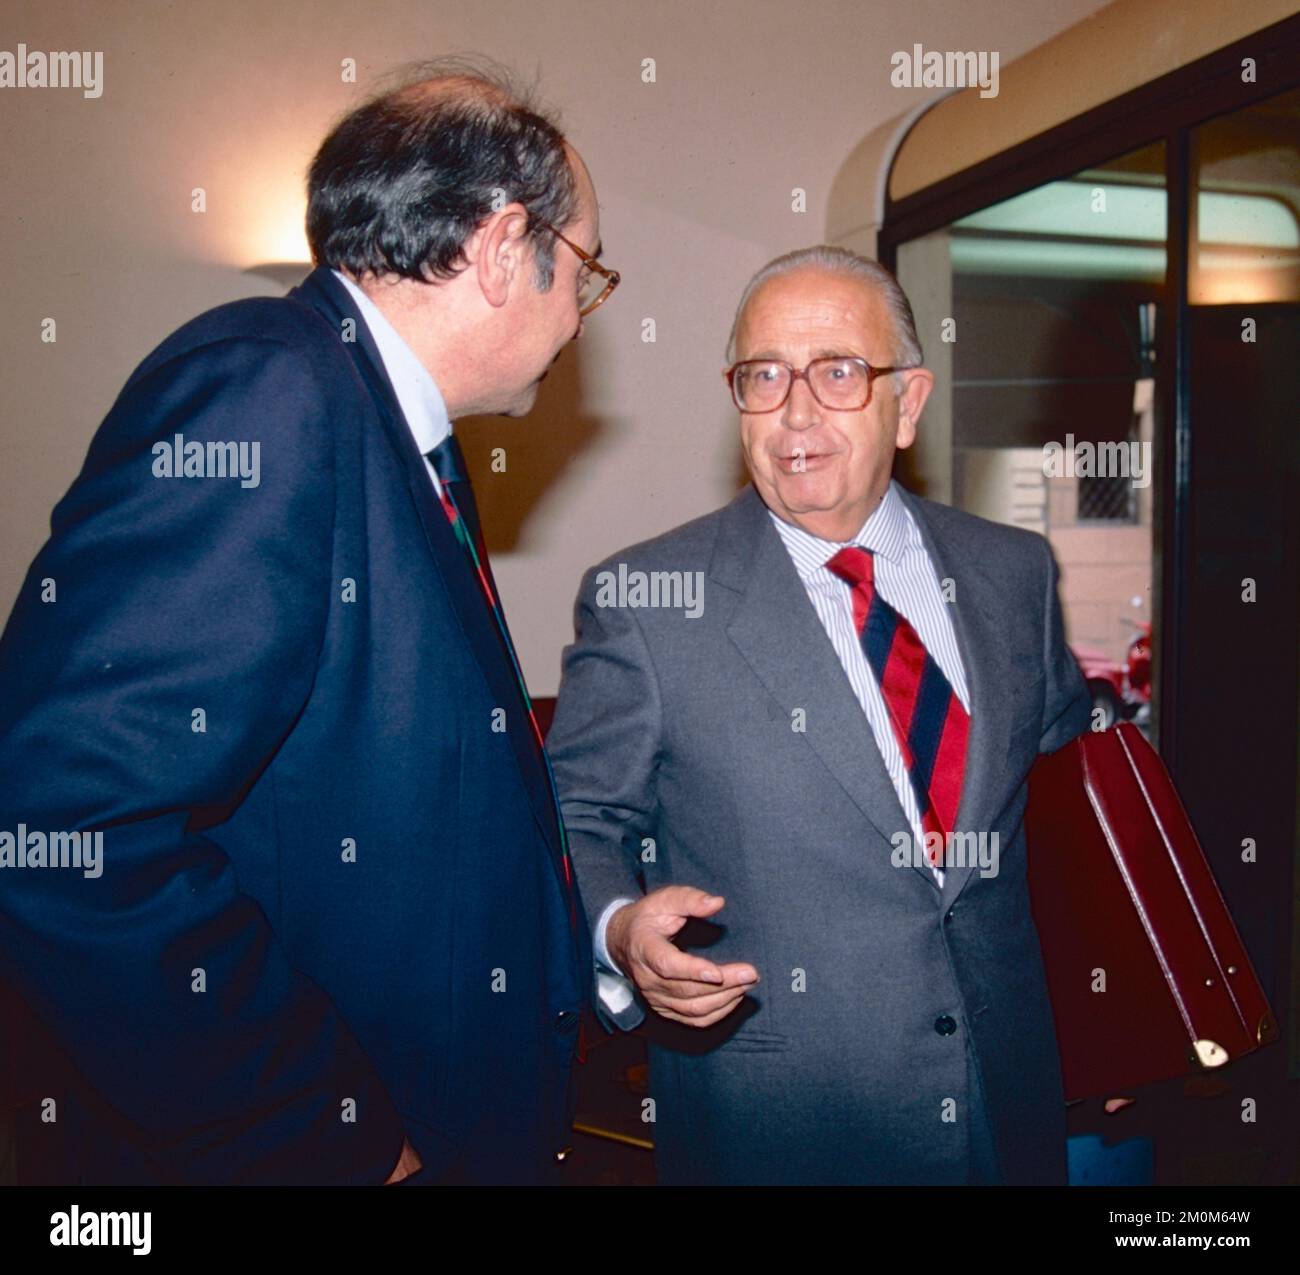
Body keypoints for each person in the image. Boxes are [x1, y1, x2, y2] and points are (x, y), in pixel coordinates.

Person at [0, 57, 619, 1185]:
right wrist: (321, 1128)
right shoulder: (270, 388)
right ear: (498, 247)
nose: (585, 308)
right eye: (586, 267)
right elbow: (65, 821)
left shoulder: (379, 419)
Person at [547, 245, 1092, 1185]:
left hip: (1012, 1107)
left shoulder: (1013, 573)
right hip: (784, 1127)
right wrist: (621, 928)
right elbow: (573, 818)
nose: (797, 411)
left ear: (907, 402)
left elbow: (1067, 810)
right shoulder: (648, 600)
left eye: (839, 371)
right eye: (764, 376)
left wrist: (1114, 1019)